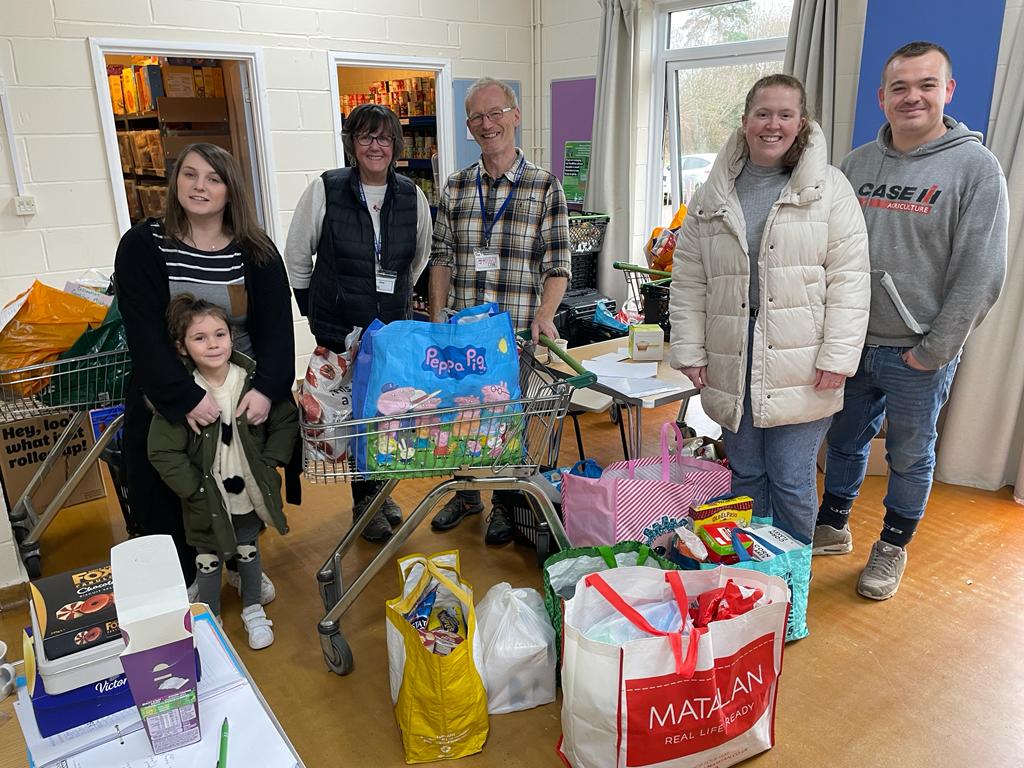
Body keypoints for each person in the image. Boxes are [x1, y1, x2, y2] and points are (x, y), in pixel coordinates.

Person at [814, 41, 1008, 600]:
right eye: (899, 87)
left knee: (910, 455)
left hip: (917, 350)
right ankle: (833, 524)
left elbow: (981, 273)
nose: (912, 97)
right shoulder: (855, 165)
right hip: (851, 343)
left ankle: (892, 544)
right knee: (843, 441)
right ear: (882, 97)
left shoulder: (976, 169)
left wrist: (933, 351)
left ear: (948, 91)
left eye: (927, 84)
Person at [668, 74, 870, 547]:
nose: (772, 125)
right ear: (745, 121)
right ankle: (755, 570)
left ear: (802, 123)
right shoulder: (713, 193)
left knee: (790, 476)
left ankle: (793, 578)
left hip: (803, 355)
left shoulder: (830, 188)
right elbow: (690, 279)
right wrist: (690, 351)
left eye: (785, 114)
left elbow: (850, 280)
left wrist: (838, 358)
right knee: (746, 472)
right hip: (731, 351)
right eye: (763, 114)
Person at [115, 143, 294, 602]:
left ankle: (240, 562)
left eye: (213, 178)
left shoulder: (256, 250)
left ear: (230, 189)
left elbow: (277, 328)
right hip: (169, 395)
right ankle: (187, 572)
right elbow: (143, 333)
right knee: (180, 486)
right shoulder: (144, 246)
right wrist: (185, 398)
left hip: (239, 392)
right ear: (175, 181)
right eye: (190, 174)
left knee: (239, 481)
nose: (200, 186)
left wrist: (266, 390)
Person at [427, 76, 571, 544]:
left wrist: (545, 314)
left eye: (495, 113)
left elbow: (559, 264)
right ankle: (466, 493)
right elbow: (441, 258)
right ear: (469, 127)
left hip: (514, 335)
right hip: (464, 334)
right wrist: (437, 317)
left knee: (509, 421)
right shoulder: (454, 187)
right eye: (477, 117)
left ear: (516, 115)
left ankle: (506, 503)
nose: (487, 124)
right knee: (460, 415)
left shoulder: (544, 186)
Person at [284, 103, 432, 543]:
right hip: (340, 329)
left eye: (384, 138)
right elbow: (297, 255)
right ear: (352, 143)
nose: (375, 146)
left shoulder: (412, 196)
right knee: (351, 417)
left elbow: (418, 259)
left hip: (389, 331)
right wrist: (315, 311)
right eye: (365, 136)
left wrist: (393, 300)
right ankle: (364, 502)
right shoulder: (326, 189)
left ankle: (379, 494)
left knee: (387, 413)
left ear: (396, 145)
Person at [148, 295, 297, 649]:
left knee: (249, 549)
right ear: (182, 347)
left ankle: (253, 609)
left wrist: (269, 462)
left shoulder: (253, 380)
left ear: (232, 336)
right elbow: (162, 450)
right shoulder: (184, 395)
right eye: (200, 338)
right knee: (207, 558)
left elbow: (285, 420)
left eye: (220, 334)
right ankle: (209, 616)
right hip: (205, 499)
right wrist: (194, 490)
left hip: (247, 494)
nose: (213, 344)